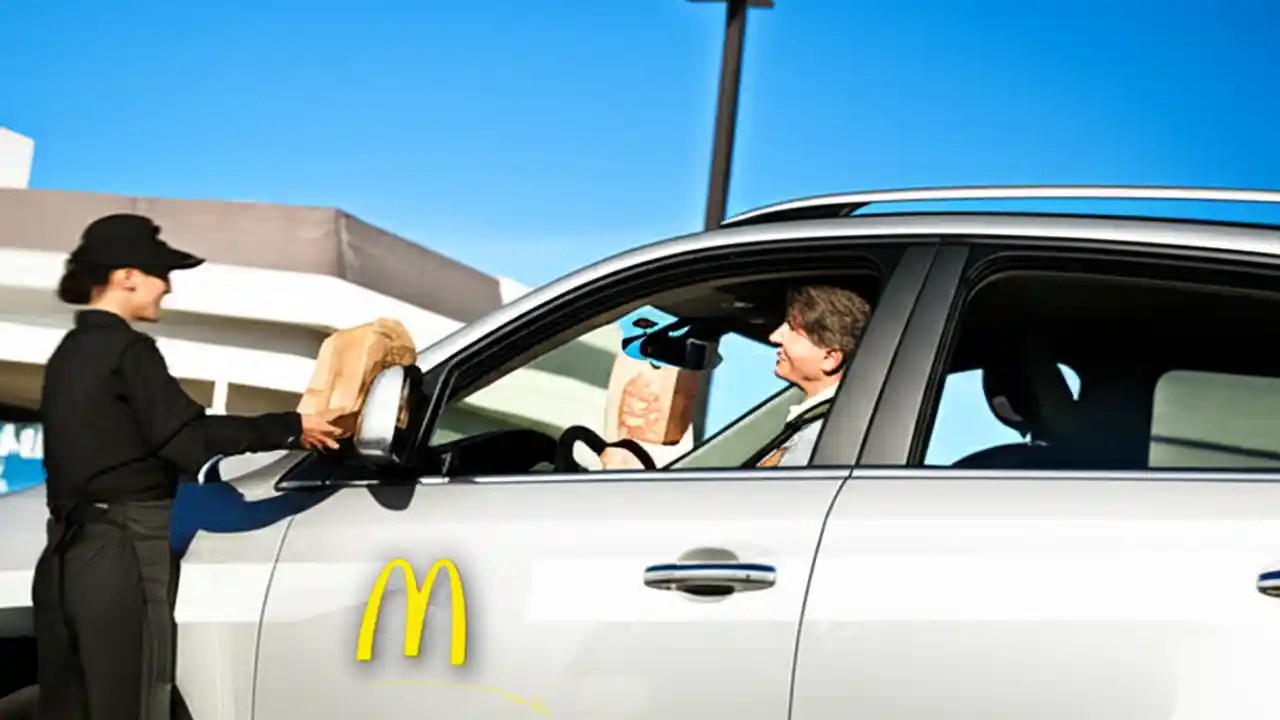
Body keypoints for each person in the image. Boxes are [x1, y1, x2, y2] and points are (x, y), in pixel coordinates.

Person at [30, 213, 348, 720]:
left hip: (61, 557)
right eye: (161, 274)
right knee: (130, 704)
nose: (168, 288)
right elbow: (188, 439)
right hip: (124, 552)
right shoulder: (129, 351)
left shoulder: (69, 354)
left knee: (68, 707)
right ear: (127, 275)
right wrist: (294, 427)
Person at [756, 284, 872, 467]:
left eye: (793, 329)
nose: (774, 337)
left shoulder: (819, 438)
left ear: (829, 358)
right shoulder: (824, 425)